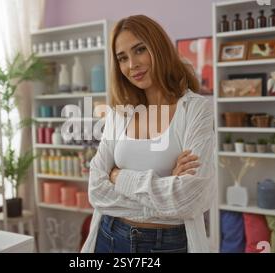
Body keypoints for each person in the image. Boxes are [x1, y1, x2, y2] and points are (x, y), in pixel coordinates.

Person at [81, 15, 215, 253]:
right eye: (122, 58)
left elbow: (190, 199)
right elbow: (96, 191)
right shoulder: (120, 113)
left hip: (168, 244)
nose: (132, 65)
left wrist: (118, 177)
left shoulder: (195, 109)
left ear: (159, 47)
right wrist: (166, 186)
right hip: (109, 237)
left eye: (140, 50)